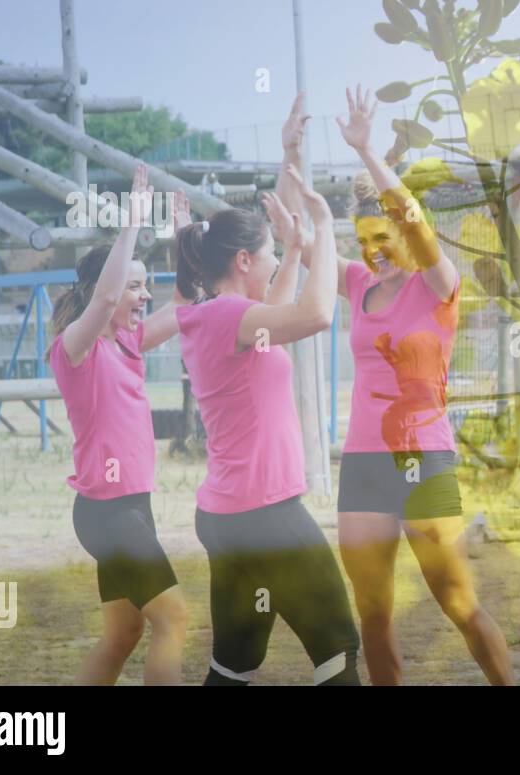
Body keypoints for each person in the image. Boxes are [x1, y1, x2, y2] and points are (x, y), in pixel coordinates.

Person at [276, 87, 512, 685]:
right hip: (364, 463)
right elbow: (297, 237)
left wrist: (366, 151)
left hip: (424, 460)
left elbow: (411, 216)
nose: (377, 252)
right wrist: (289, 156)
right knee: (373, 619)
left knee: (459, 604)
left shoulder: (438, 284)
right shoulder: (356, 285)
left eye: (388, 239)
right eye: (367, 242)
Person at [175, 164, 361, 686]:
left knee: (234, 665)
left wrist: (296, 250)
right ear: (242, 260)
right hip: (265, 516)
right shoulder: (228, 316)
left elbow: (271, 317)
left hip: (228, 517)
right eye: (268, 257)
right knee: (338, 648)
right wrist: (324, 229)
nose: (274, 263)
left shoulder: (215, 315)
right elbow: (317, 313)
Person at [49, 165, 188, 685]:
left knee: (124, 635)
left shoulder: (127, 344)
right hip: (107, 515)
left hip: (133, 507)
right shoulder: (74, 350)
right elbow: (106, 298)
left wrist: (180, 240)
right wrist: (133, 218)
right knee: (174, 618)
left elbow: (185, 306)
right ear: (104, 290)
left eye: (144, 287)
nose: (143, 297)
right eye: (136, 286)